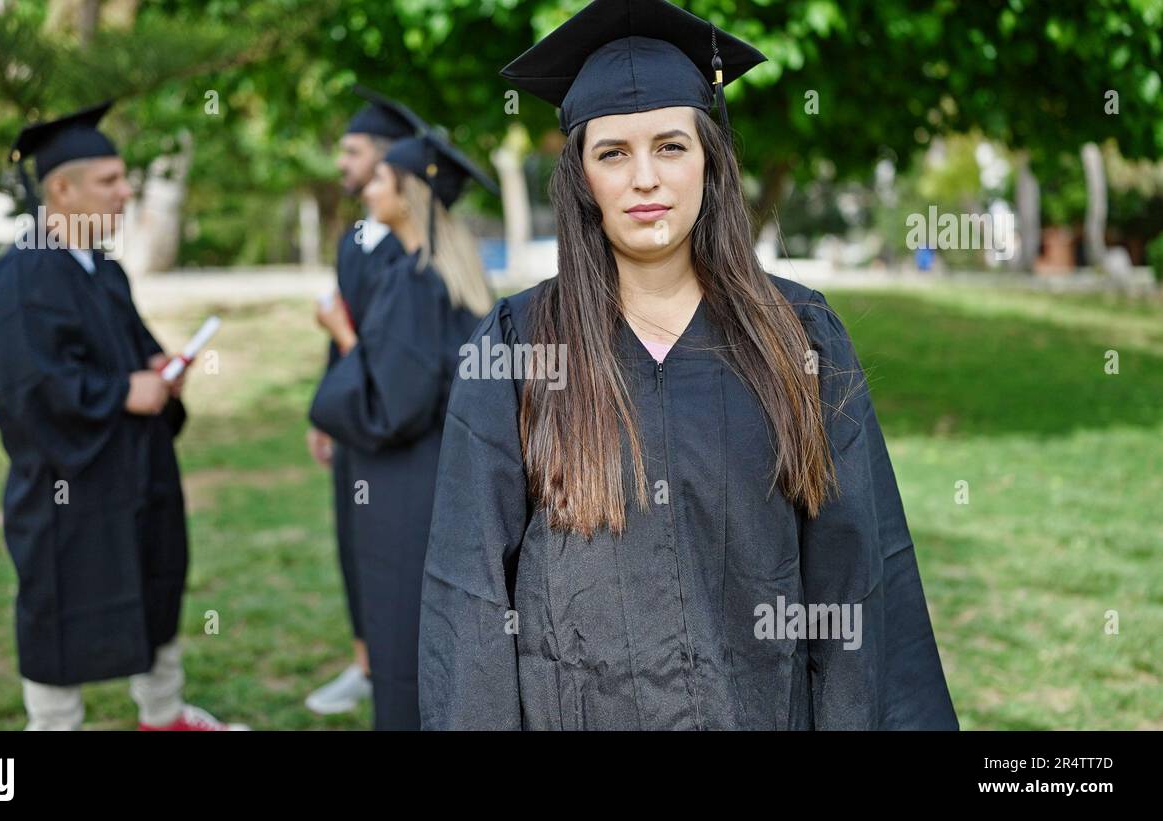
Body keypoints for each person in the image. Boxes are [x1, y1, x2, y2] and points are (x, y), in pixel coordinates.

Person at [418, 0, 958, 730]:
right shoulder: (517, 350)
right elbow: (469, 598)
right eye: (613, 152)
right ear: (582, 177)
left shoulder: (796, 336)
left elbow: (859, 574)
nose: (645, 178)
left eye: (671, 146)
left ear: (710, 159)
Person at [0, 101, 245, 731]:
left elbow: (129, 348)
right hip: (66, 484)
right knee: (58, 604)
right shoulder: (16, 280)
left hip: (137, 471)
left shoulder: (104, 271)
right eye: (110, 181)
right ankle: (54, 724)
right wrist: (122, 391)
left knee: (156, 581)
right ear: (61, 189)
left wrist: (159, 368)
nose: (127, 192)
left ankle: (164, 714)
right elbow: (27, 388)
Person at [309, 130, 496, 729]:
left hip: (404, 488)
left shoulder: (413, 284)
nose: (369, 187)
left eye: (382, 178)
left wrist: (342, 335)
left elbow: (390, 407)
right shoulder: (452, 279)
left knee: (402, 639)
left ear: (409, 193)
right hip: (439, 477)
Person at [304, 88, 426, 716]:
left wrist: (341, 337)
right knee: (353, 543)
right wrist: (321, 411)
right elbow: (346, 331)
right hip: (354, 407)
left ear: (385, 164)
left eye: (352, 153)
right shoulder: (354, 241)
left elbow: (385, 350)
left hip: (391, 413)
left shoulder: (412, 254)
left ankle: (388, 665)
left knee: (388, 546)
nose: (342, 165)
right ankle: (364, 658)